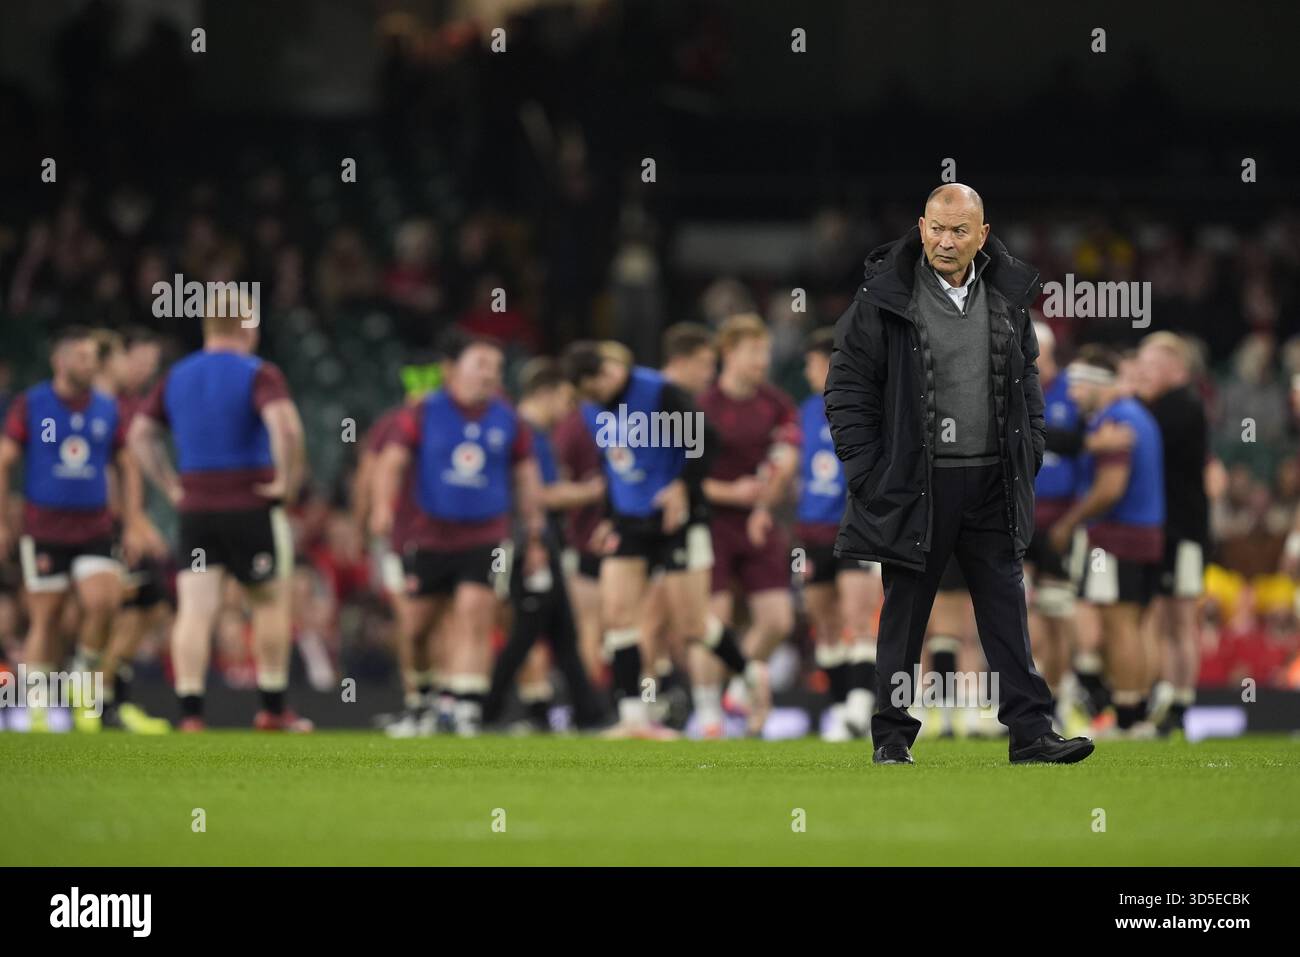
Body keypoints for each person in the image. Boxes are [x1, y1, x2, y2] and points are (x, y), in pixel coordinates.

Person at [824, 183, 1091, 765]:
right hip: (916, 483)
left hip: (992, 481)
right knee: (905, 614)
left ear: (982, 235)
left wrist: (1030, 453)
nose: (946, 242)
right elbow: (846, 390)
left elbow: (1026, 382)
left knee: (1006, 612)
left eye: (959, 231)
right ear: (921, 228)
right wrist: (869, 474)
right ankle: (891, 738)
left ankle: (1030, 734)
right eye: (937, 229)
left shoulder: (1007, 296)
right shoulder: (882, 297)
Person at [562, 340, 767, 738]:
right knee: (617, 616)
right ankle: (633, 717)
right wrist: (607, 516)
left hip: (678, 521)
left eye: (596, 387)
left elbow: (708, 439)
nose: (595, 398)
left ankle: (749, 669)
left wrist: (682, 488)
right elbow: (614, 464)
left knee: (691, 624)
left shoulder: (659, 391)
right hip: (629, 522)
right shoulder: (591, 408)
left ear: (605, 372)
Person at [129, 299, 309, 731]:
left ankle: (190, 714)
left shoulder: (177, 376)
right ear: (248, 327)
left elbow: (140, 434)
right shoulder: (258, 372)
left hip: (197, 511)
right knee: (268, 601)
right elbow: (285, 427)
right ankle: (272, 708)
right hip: (250, 503)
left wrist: (171, 485)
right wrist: (287, 480)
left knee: (194, 609)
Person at [370, 332, 546, 737]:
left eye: (497, 368)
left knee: (475, 615)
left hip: (487, 534)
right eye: (481, 364)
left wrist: (534, 531)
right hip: (427, 536)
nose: (491, 375)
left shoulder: (509, 418)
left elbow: (526, 475)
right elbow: (391, 462)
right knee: (415, 629)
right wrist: (382, 508)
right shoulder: (422, 413)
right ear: (452, 370)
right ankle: (424, 703)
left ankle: (466, 708)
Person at [0, 326, 159, 732]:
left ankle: (80, 681)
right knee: (46, 617)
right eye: (82, 357)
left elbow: (126, 464)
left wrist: (134, 519)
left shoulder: (107, 408)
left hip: (94, 527)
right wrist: (4, 520)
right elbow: (5, 460)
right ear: (60, 360)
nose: (89, 365)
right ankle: (36, 705)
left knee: (104, 601)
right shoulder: (32, 404)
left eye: (93, 358)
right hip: (45, 528)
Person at [482, 357, 607, 730]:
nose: (569, 410)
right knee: (527, 630)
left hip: (536, 540)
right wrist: (590, 491)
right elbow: (538, 496)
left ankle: (586, 713)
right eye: (565, 400)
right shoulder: (524, 433)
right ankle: (488, 707)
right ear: (546, 393)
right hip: (527, 543)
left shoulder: (531, 433)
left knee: (559, 631)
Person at [1048, 345, 1165, 736]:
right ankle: (1138, 712)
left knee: (1119, 626)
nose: (1074, 393)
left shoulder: (1114, 421)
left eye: (1081, 385)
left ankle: (1128, 718)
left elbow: (1109, 490)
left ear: (1101, 384)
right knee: (1135, 623)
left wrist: (1069, 522)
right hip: (1144, 533)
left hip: (1117, 536)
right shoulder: (1137, 416)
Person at [698, 315, 799, 736]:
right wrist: (729, 493)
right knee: (712, 622)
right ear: (728, 354)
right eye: (754, 352)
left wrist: (763, 504)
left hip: (758, 521)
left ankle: (740, 682)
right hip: (710, 523)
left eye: (766, 352)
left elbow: (788, 458)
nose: (763, 360)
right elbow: (683, 479)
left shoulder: (775, 403)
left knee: (778, 620)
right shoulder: (703, 408)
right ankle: (707, 716)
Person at [795, 327, 881, 741]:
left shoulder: (868, 404)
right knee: (823, 620)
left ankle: (860, 707)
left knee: (857, 616)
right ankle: (841, 709)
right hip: (812, 528)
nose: (807, 370)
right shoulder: (807, 410)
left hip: (858, 524)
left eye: (812, 363)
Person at [353, 361, 441, 737]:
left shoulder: (392, 423)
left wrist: (362, 527)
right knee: (435, 622)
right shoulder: (447, 420)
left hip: (407, 540)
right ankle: (442, 704)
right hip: (430, 539)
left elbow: (367, 477)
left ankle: (420, 706)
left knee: (413, 623)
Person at [90, 328, 171, 733]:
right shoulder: (105, 405)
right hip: (108, 525)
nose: (144, 371)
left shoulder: (130, 404)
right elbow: (108, 470)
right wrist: (131, 522)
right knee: (135, 605)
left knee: (142, 606)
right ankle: (98, 697)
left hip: (121, 522)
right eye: (139, 361)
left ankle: (111, 702)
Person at [1135, 332, 1210, 736]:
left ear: (1176, 368)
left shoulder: (1181, 406)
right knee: (1166, 620)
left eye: (1150, 367)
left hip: (1183, 533)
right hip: (1169, 531)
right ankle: (1170, 700)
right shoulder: (1171, 406)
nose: (1143, 374)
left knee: (1179, 620)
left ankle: (1180, 703)